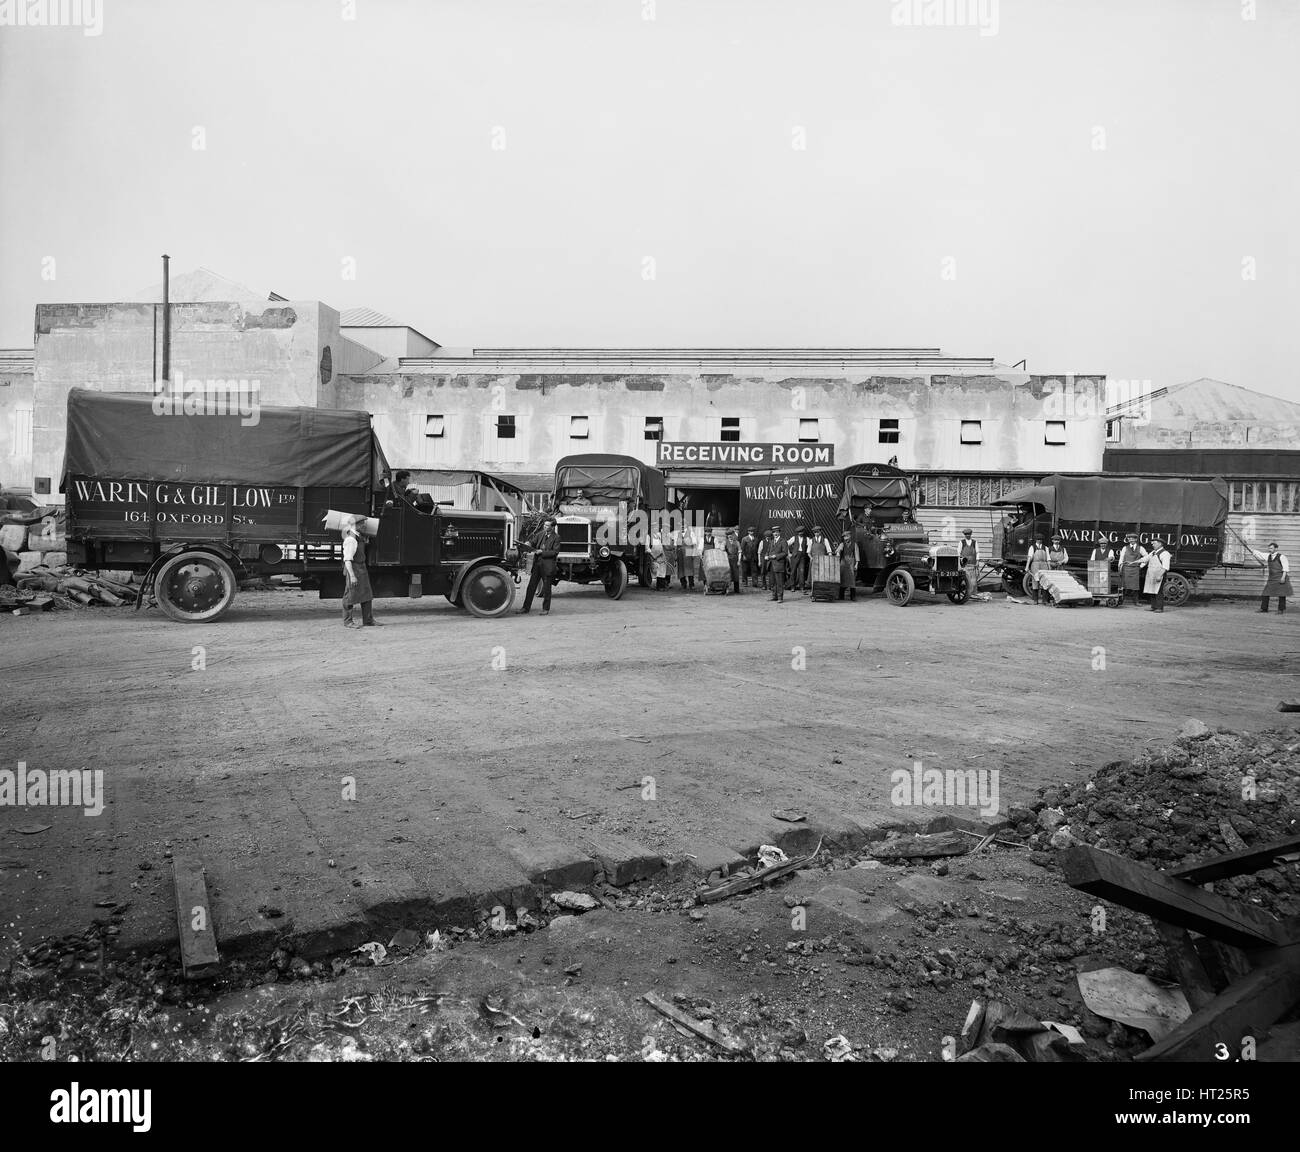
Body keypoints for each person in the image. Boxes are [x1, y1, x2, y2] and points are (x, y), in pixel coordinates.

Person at [341, 514, 379, 627]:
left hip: (361, 568)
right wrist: (352, 576)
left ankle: (368, 620)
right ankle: (348, 621)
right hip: (354, 569)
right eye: (362, 523)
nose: (364, 525)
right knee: (350, 595)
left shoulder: (358, 536)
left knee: (367, 594)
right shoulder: (351, 539)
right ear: (355, 525)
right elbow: (347, 560)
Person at [518, 515, 560, 615]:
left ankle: (545, 609)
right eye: (545, 525)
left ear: (552, 527)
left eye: (547, 526)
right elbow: (533, 542)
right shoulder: (540, 534)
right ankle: (525, 608)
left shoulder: (557, 538)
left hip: (547, 567)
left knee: (547, 589)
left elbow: (555, 552)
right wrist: (528, 543)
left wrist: (542, 552)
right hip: (537, 565)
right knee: (531, 587)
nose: (545, 527)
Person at [1248, 541, 1291, 614]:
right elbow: (1259, 554)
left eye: (1271, 548)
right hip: (1272, 578)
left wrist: (1283, 578)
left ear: (1276, 549)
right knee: (1266, 593)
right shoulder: (1268, 556)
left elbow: (1285, 568)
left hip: (1281, 577)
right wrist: (1249, 548)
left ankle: (1281, 610)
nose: (1269, 549)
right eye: (1269, 548)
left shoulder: (1282, 557)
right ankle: (1264, 609)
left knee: (1281, 594)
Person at [1117, 533, 1148, 607]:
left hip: (1135, 570)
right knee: (1124, 586)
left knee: (1135, 587)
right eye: (1129, 538)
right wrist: (1120, 568)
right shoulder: (1125, 548)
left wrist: (1141, 566)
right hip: (1126, 569)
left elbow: (1147, 557)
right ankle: (1121, 600)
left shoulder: (1141, 548)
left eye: (1133, 538)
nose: (1131, 540)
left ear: (1136, 539)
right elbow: (1121, 559)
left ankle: (1136, 602)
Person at [1143, 539, 1172, 612]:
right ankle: (1153, 606)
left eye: (1154, 543)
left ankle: (1159, 608)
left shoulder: (1165, 553)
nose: (1152, 545)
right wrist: (1134, 562)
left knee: (1158, 591)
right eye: (1152, 543)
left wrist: (1159, 576)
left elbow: (1165, 567)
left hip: (1159, 575)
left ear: (1160, 544)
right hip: (1152, 575)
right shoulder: (1153, 552)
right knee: (1152, 590)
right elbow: (1145, 559)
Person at [1026, 536, 1051, 605]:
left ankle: (1044, 600)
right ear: (1036, 540)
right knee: (1035, 582)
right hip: (1035, 565)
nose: (1039, 540)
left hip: (1044, 565)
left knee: (1045, 583)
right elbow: (1030, 557)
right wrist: (1027, 566)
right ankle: (1035, 600)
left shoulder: (1046, 548)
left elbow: (1048, 559)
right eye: (1038, 539)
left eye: (1040, 539)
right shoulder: (1032, 547)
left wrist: (1049, 568)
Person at [836, 530, 859, 601]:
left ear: (850, 536)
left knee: (852, 579)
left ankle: (853, 597)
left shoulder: (854, 544)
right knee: (842, 579)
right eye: (844, 537)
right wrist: (838, 552)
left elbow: (857, 554)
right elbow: (838, 551)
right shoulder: (842, 544)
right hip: (843, 562)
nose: (846, 538)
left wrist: (856, 564)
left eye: (847, 536)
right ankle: (841, 596)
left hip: (851, 562)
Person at [766, 528, 789, 602]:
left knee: (779, 582)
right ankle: (774, 596)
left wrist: (776, 556)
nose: (775, 534)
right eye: (774, 532)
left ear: (779, 532)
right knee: (772, 582)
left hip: (779, 564)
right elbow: (768, 551)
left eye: (777, 532)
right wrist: (766, 555)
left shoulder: (783, 541)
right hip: (771, 564)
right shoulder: (771, 541)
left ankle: (780, 598)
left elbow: (785, 553)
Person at [787, 526, 812, 592]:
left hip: (802, 557)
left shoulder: (807, 539)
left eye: (801, 532)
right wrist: (788, 553)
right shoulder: (794, 538)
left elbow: (811, 545)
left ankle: (802, 587)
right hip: (794, 556)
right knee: (793, 572)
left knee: (802, 571)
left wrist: (809, 552)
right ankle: (792, 586)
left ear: (803, 532)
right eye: (799, 532)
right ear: (797, 533)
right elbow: (786, 544)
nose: (800, 533)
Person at [959, 528, 978, 598]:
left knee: (973, 579)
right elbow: (959, 552)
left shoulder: (974, 542)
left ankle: (973, 593)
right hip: (964, 564)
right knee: (965, 578)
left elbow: (977, 552)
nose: (968, 535)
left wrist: (977, 561)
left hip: (973, 563)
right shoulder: (962, 542)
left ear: (971, 534)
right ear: (964, 535)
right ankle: (965, 592)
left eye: (969, 534)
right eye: (966, 534)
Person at [724, 529, 741, 594]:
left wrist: (739, 560)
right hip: (727, 560)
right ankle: (726, 588)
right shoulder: (725, 542)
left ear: (733, 535)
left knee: (736, 574)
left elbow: (739, 552)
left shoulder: (737, 542)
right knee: (727, 574)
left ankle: (736, 590)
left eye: (731, 534)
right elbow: (723, 551)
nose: (730, 536)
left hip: (735, 559)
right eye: (728, 535)